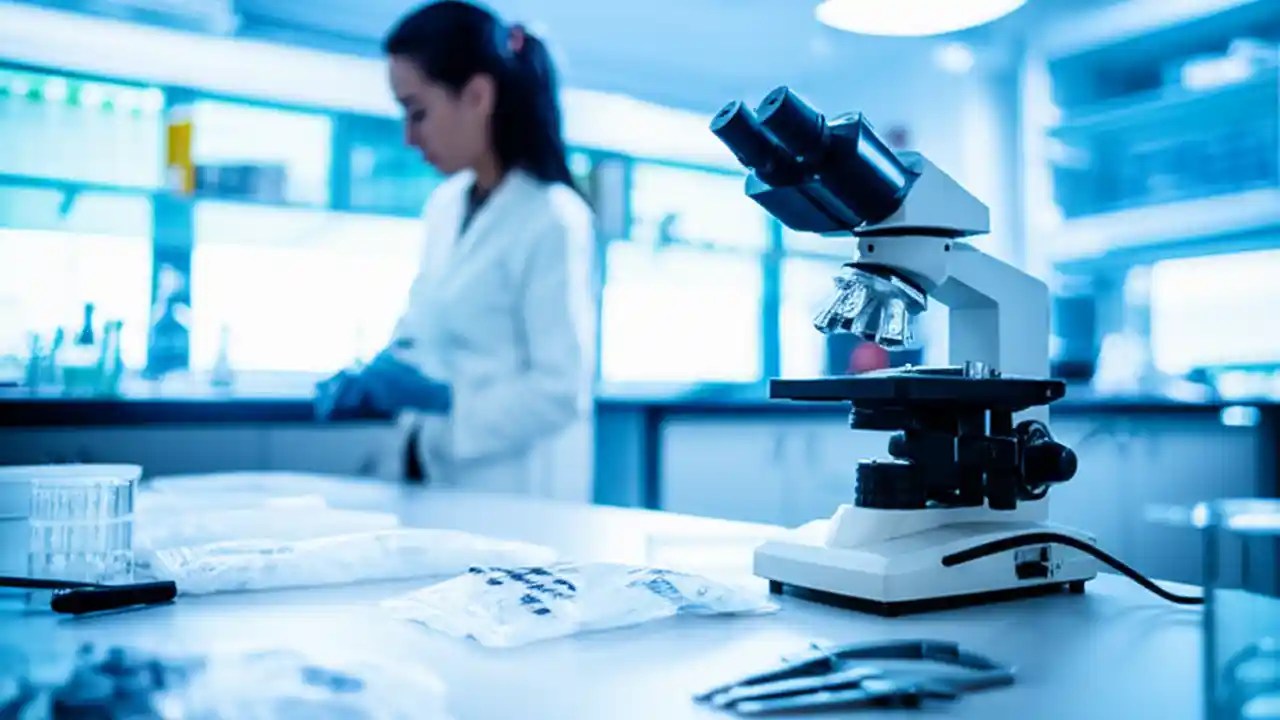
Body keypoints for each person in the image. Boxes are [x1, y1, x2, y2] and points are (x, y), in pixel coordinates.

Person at [317, 0, 596, 503]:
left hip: (515, 494)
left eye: (417, 111)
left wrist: (449, 401)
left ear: (477, 95)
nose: (408, 137)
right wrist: (376, 377)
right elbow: (421, 328)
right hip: (433, 473)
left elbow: (560, 392)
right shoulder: (445, 206)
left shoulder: (552, 216)